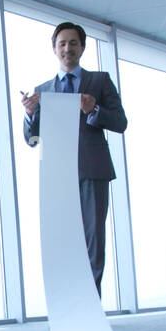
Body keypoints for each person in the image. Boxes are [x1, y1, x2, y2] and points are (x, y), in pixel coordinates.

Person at [21, 21, 127, 298]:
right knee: (64, 243)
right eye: (62, 43)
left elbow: (120, 122)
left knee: (93, 242)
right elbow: (31, 138)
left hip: (93, 171)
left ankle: (90, 310)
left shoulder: (100, 81)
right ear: (54, 49)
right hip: (58, 175)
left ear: (82, 47)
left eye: (73, 43)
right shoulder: (42, 90)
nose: (67, 48)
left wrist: (95, 110)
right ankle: (68, 308)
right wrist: (30, 115)